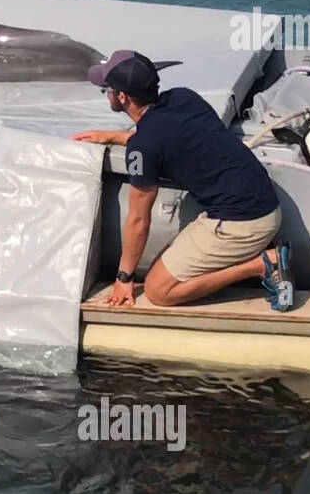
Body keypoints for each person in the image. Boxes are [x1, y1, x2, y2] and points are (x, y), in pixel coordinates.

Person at [72, 50, 294, 310]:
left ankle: (264, 264)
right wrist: (113, 136)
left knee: (159, 290)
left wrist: (125, 277)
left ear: (122, 97)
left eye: (107, 90)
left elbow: (138, 219)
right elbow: (171, 138)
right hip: (261, 201)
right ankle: (262, 253)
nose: (107, 94)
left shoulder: (144, 146)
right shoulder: (183, 98)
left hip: (241, 223)